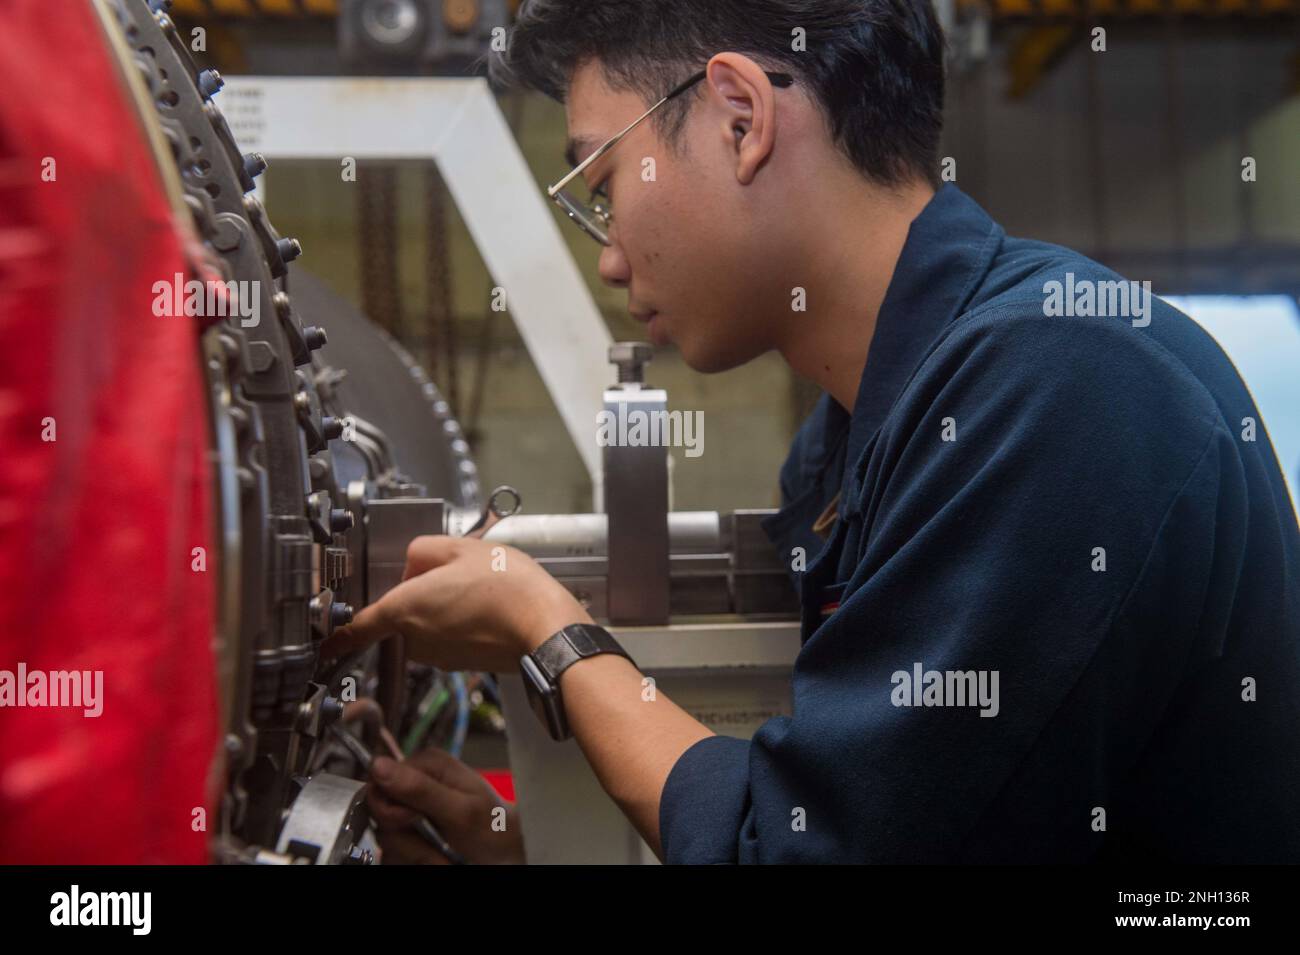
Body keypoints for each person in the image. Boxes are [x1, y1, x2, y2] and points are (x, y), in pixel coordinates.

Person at [327, 0, 1300, 864]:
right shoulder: (859, 439)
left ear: (740, 118)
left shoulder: (1061, 386)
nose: (611, 256)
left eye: (602, 179)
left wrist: (551, 632)